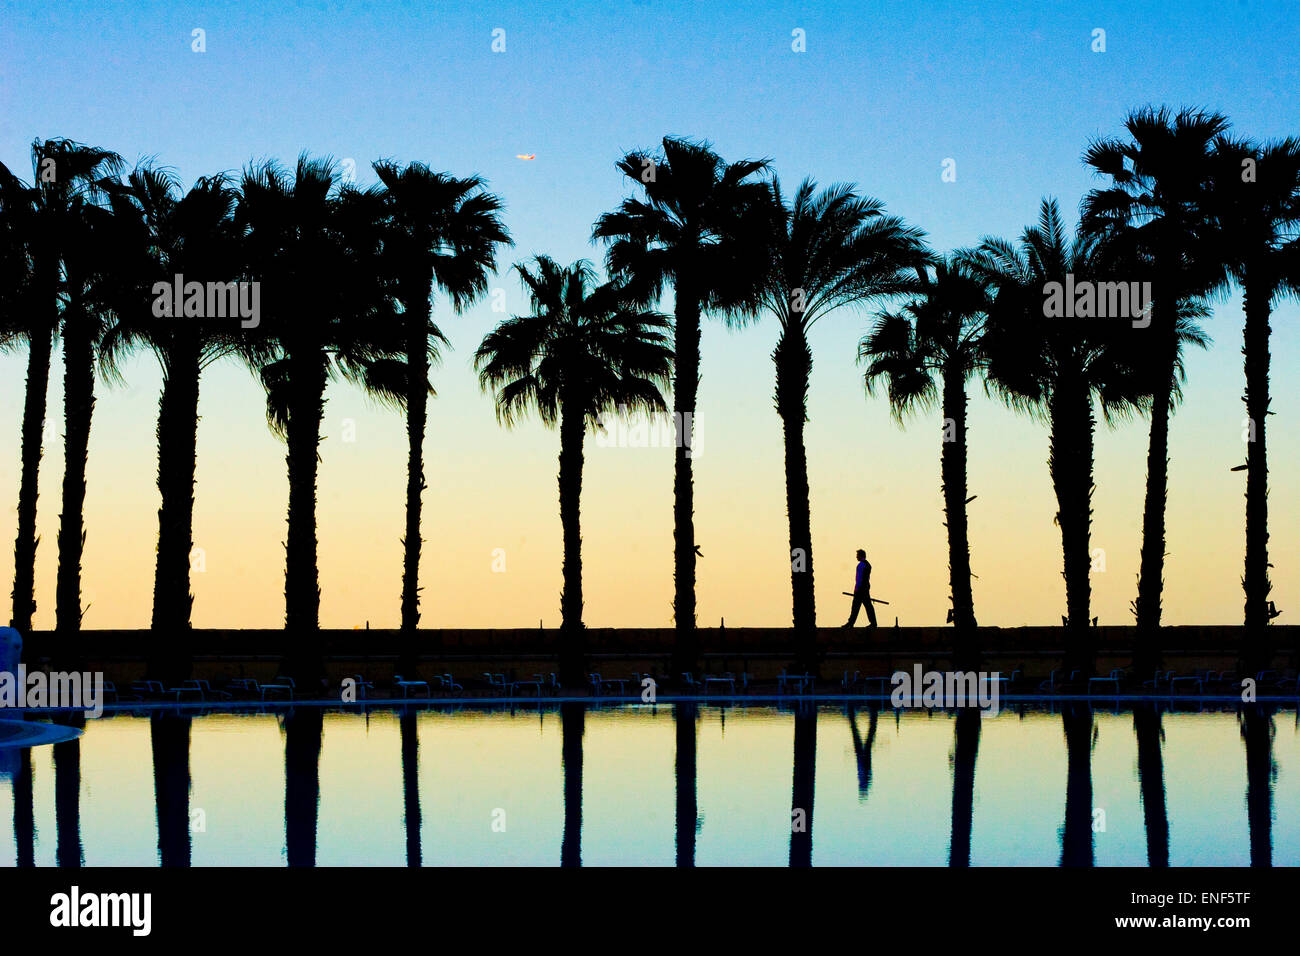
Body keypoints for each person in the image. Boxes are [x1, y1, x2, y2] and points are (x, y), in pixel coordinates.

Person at [842, 549, 877, 628]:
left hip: (860, 589)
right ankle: (873, 623)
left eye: (857, 555)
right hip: (866, 589)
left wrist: (856, 589)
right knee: (868, 606)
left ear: (861, 556)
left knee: (855, 607)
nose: (856, 557)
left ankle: (850, 623)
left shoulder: (861, 565)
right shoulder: (868, 565)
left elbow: (859, 579)